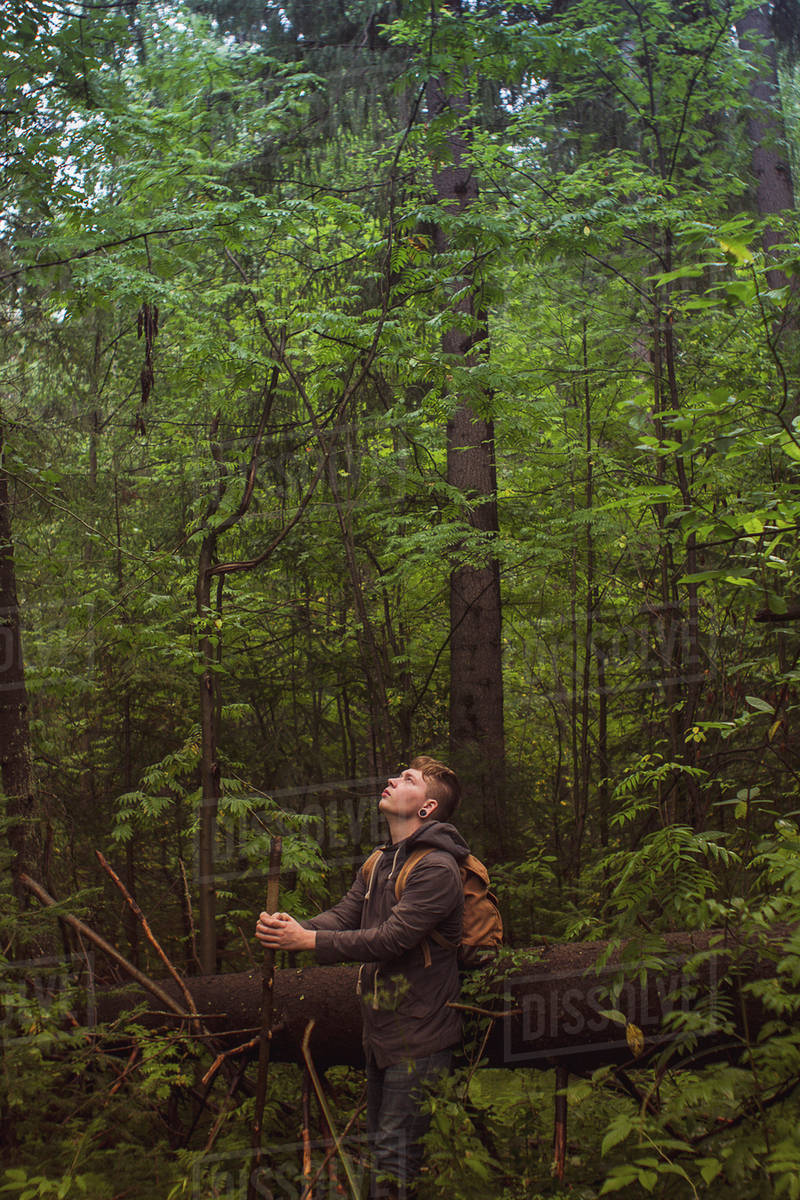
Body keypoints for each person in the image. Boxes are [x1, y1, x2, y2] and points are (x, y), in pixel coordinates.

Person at [255, 755, 470, 1199]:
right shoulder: (379, 862)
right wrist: (294, 929)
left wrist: (307, 943)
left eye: (407, 779)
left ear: (427, 808)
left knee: (393, 1165)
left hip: (421, 1040)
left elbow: (391, 939)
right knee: (383, 1158)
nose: (392, 780)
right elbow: (345, 915)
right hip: (382, 1035)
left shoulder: (438, 869)